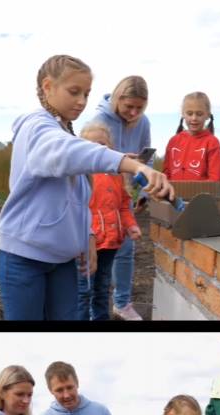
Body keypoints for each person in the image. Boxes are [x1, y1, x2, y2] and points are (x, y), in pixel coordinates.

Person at [0, 57, 172, 321]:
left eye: (87, 94)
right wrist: (134, 166)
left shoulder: (63, 128)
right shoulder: (37, 127)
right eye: (74, 92)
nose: (82, 101)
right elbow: (67, 151)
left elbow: (79, 197)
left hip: (65, 260)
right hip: (25, 257)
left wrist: (87, 236)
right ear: (47, 86)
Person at [92, 76, 152, 321]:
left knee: (126, 249)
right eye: (129, 107)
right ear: (118, 99)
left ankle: (122, 304)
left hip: (125, 193)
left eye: (140, 108)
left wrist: (145, 191)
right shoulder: (99, 122)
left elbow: (144, 161)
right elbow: (89, 160)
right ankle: (93, 307)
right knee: (100, 253)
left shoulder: (143, 122)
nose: (134, 112)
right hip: (99, 197)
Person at [77, 122, 141, 322]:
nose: (98, 149)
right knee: (85, 288)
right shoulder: (80, 176)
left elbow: (123, 205)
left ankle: (100, 317)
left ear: (110, 148)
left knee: (103, 286)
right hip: (89, 244)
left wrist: (131, 225)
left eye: (102, 144)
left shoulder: (116, 175)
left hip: (112, 242)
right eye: (92, 145)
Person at [163, 93, 220, 182]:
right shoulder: (173, 141)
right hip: (174, 195)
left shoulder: (212, 142)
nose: (194, 118)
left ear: (207, 115)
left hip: (202, 195)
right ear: (183, 114)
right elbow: (166, 173)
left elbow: (215, 178)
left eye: (199, 114)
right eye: (189, 113)